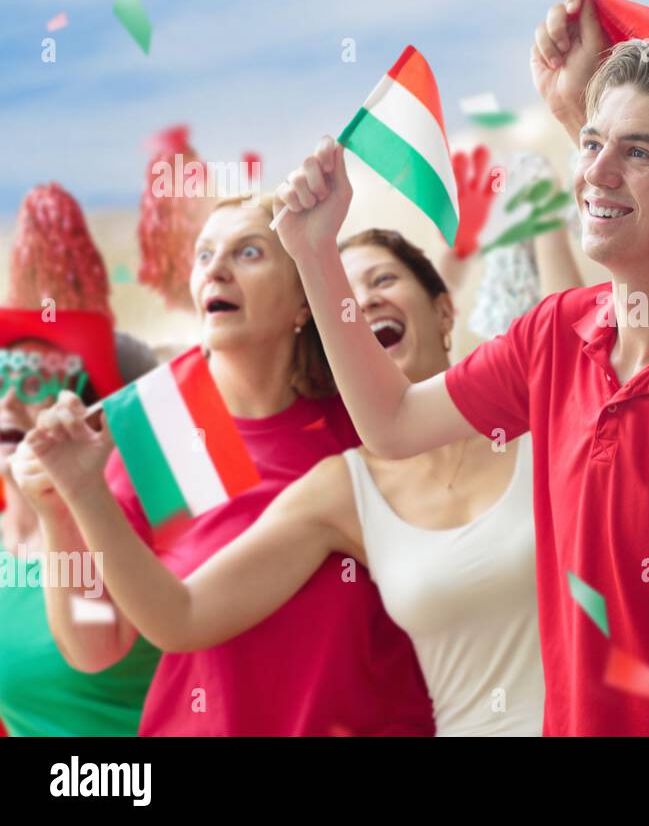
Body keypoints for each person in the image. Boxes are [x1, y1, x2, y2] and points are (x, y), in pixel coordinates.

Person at [271, 31, 649, 735]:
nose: (597, 173)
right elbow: (394, 422)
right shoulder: (554, 334)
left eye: (639, 153)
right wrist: (314, 251)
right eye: (591, 144)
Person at [27, 228, 552, 736]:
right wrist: (61, 510)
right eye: (204, 253)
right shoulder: (172, 435)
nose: (217, 268)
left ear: (305, 302)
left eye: (250, 251)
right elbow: (98, 643)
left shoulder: (368, 428)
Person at [0, 309, 160, 736]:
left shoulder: (128, 521)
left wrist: (56, 507)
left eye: (34, 385)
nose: (8, 403)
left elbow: (92, 646)